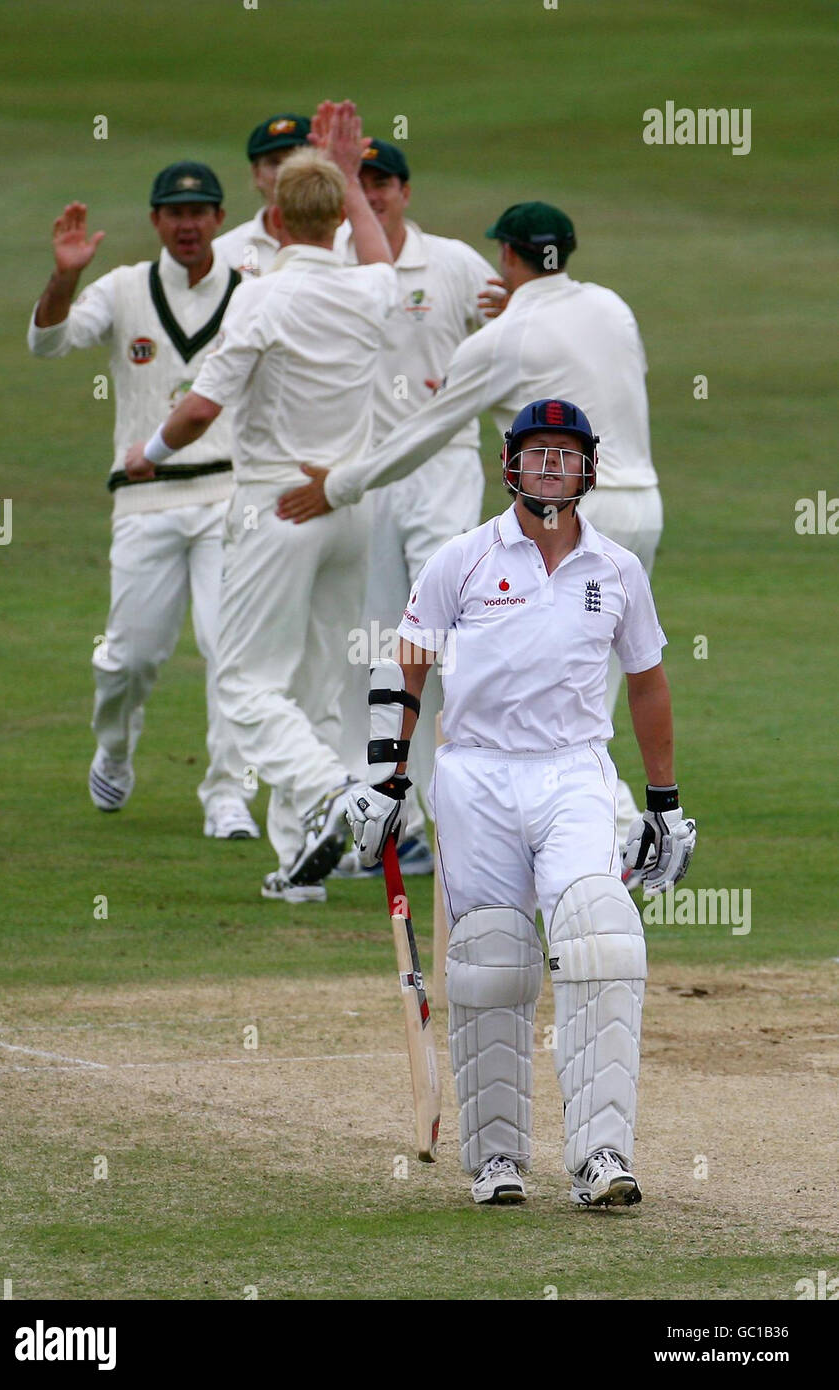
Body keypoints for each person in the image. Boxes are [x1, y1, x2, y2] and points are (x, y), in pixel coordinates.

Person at [345, 398, 695, 1206]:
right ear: (510, 464)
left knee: (604, 939)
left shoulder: (615, 570)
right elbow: (407, 666)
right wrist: (384, 780)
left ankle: (601, 1157)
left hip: (574, 771)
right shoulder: (461, 559)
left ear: (588, 468)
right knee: (493, 960)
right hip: (477, 775)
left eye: (565, 454)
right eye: (538, 452)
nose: (552, 466)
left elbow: (646, 682)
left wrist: (665, 803)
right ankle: (498, 1160)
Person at [276, 201, 662, 842]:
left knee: (545, 698)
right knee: (593, 693)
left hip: (567, 513)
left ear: (506, 257)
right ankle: (614, 838)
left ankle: (604, 838)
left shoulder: (499, 341)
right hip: (639, 505)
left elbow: (425, 432)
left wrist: (340, 485)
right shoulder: (612, 308)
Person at [125, 104, 400, 902]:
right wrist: (349, 176)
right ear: (339, 218)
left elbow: (201, 409)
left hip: (277, 506)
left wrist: (151, 454)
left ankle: (330, 792)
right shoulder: (368, 289)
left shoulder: (261, 296)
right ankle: (300, 868)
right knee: (310, 687)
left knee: (245, 686)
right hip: (349, 511)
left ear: (272, 219)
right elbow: (379, 253)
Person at [27, 163, 258, 838]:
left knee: (230, 652)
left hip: (228, 498)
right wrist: (66, 274)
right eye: (174, 213)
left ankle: (226, 796)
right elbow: (47, 343)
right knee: (130, 658)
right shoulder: (125, 288)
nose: (188, 224)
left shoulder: (249, 293)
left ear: (219, 218)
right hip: (145, 500)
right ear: (155, 220)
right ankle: (115, 748)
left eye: (201, 211)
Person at [329, 136, 504, 880]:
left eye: (382, 182)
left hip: (443, 464)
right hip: (368, 472)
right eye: (358, 182)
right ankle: (377, 817)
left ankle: (450, 816)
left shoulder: (457, 263)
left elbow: (514, 328)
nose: (371, 194)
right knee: (374, 645)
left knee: (440, 641)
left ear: (404, 190)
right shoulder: (334, 257)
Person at [212, 112, 311, 276]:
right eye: (274, 162)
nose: (284, 172)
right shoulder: (223, 253)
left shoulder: (349, 239)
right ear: (257, 173)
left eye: (295, 160)